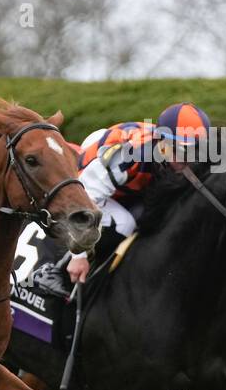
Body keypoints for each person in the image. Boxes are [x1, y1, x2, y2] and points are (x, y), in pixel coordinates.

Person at [64, 102, 212, 287]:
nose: (190, 161)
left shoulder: (174, 157)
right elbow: (81, 202)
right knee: (125, 222)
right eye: (183, 151)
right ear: (162, 143)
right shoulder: (130, 156)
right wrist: (78, 256)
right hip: (87, 186)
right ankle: (62, 271)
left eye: (197, 151)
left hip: (121, 186)